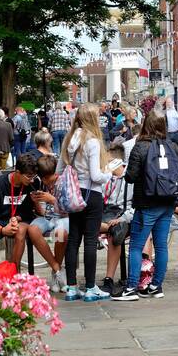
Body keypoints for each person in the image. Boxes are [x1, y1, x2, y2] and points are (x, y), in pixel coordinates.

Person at [111, 111, 178, 301]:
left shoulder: (140, 147)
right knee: (161, 246)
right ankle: (156, 286)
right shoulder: (172, 146)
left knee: (136, 245)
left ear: (145, 125)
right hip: (167, 201)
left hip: (147, 202)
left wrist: (124, 172)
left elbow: (131, 177)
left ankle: (131, 288)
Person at [62, 103, 124, 302]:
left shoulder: (70, 139)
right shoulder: (93, 141)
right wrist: (109, 173)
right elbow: (97, 176)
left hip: (73, 194)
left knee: (73, 240)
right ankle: (90, 288)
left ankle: (71, 288)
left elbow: (59, 169)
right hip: (91, 194)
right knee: (90, 240)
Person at [0, 154, 64, 282]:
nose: (31, 180)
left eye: (33, 176)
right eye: (28, 176)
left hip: (22, 219)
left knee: (20, 231)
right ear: (18, 172)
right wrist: (2, 229)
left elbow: (34, 212)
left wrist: (20, 215)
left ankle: (14, 273)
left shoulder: (33, 183)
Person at [98, 137, 137, 296]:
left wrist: (122, 218)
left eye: (107, 162)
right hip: (107, 214)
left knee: (116, 231)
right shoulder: (105, 178)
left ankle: (109, 279)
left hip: (124, 217)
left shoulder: (132, 179)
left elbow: (136, 207)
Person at [29, 154, 70, 289]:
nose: (46, 181)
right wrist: (35, 203)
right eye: (43, 178)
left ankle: (56, 273)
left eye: (48, 177)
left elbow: (68, 209)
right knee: (32, 230)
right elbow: (40, 212)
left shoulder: (64, 182)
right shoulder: (39, 183)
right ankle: (57, 268)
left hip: (63, 217)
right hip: (47, 217)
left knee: (60, 232)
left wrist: (52, 200)